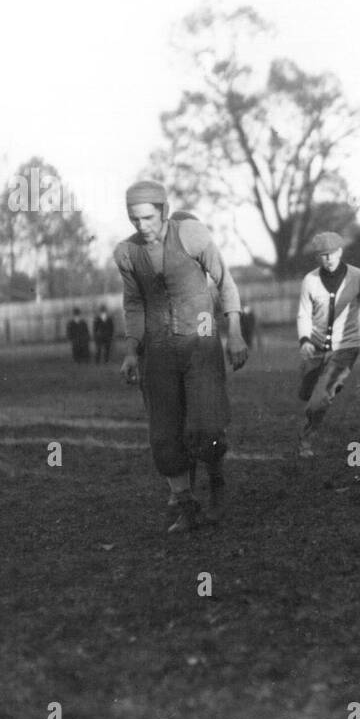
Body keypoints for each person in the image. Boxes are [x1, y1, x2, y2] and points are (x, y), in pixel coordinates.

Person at [115, 180, 248, 534]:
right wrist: (131, 352)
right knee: (164, 437)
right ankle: (187, 506)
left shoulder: (190, 234)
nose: (141, 226)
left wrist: (234, 332)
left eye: (147, 217)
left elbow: (225, 282)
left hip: (200, 342)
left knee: (207, 428)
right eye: (134, 219)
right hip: (157, 350)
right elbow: (134, 303)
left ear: (164, 210)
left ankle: (216, 481)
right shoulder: (127, 253)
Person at [297, 231, 360, 458]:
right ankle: (327, 386)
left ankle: (306, 438)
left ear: (340, 252)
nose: (327, 259)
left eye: (331, 253)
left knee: (318, 402)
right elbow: (304, 314)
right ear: (317, 257)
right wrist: (305, 340)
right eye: (322, 255)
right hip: (316, 348)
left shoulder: (357, 276)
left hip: (345, 347)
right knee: (306, 393)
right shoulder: (310, 280)